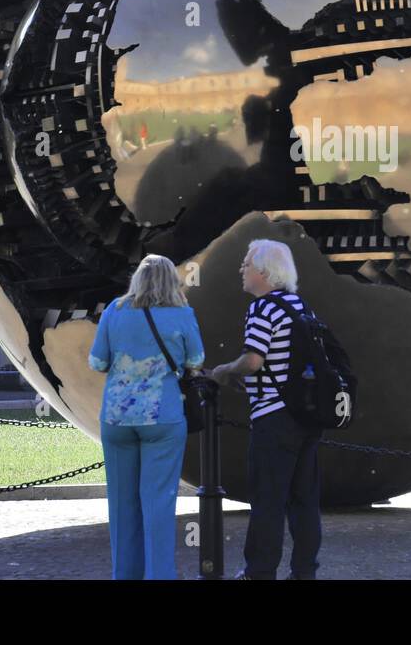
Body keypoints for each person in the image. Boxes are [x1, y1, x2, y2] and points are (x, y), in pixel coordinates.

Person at [209, 239, 322, 580]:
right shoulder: (301, 307)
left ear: (263, 271)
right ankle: (304, 572)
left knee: (268, 500)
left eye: (246, 264)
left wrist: (223, 371)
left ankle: (259, 571)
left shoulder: (263, 308)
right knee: (304, 502)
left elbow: (253, 360)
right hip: (306, 415)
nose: (241, 269)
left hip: (273, 417)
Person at [89, 254, 203, 580]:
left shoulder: (114, 310)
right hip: (163, 416)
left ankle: (124, 575)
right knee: (159, 505)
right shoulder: (182, 313)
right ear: (172, 281)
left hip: (116, 418)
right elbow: (196, 358)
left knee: (122, 505)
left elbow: (97, 362)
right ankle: (160, 575)